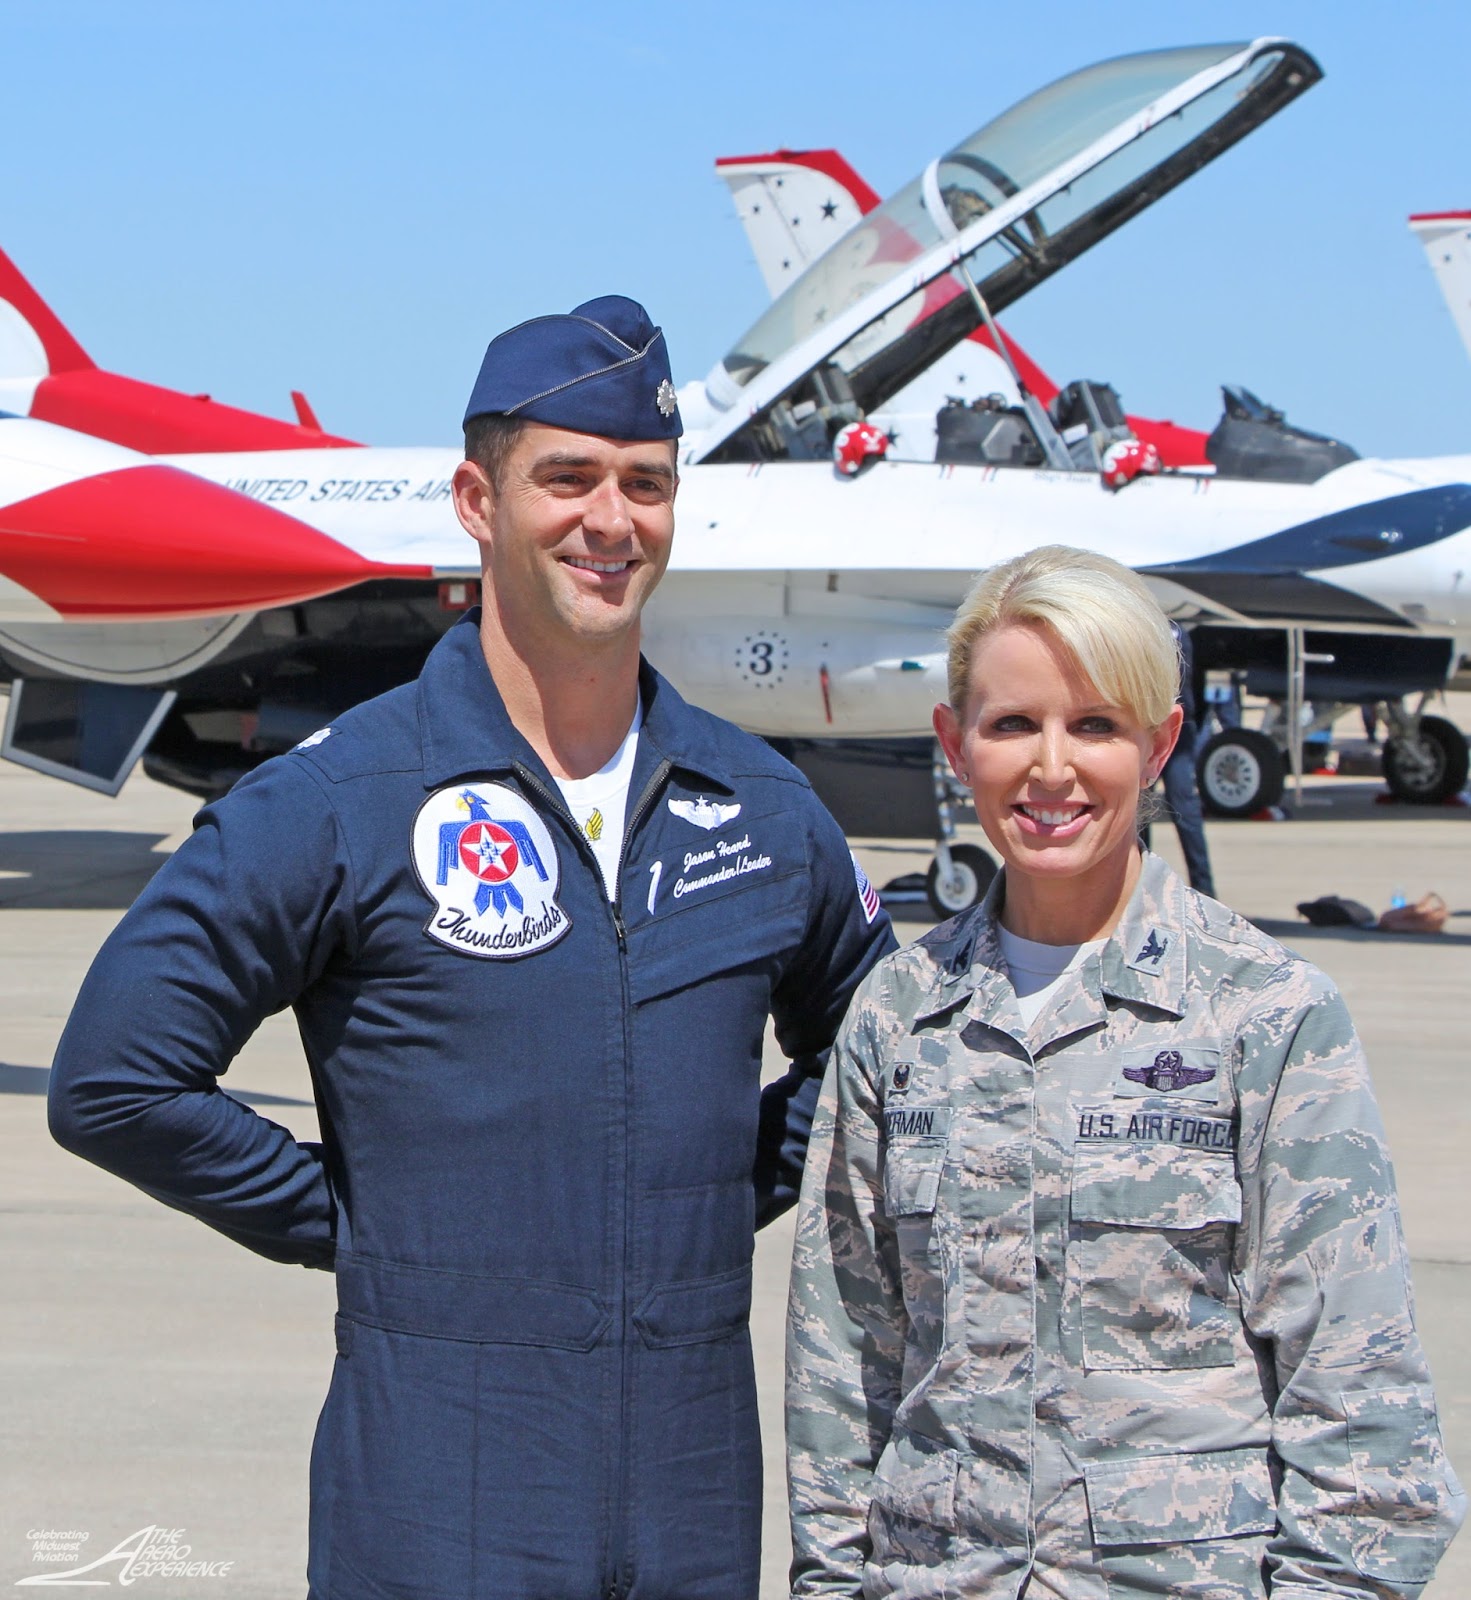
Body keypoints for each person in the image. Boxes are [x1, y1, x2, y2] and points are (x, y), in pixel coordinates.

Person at [48, 296, 895, 1600]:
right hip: (440, 1501)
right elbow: (116, 1078)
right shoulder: (340, 798)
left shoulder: (759, 807)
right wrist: (362, 1225)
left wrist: (723, 1188)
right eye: (566, 478)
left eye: (646, 485)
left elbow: (878, 1043)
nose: (610, 521)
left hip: (693, 1501)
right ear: (474, 500)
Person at [786, 545, 1463, 1598]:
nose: (1051, 767)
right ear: (954, 744)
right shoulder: (900, 1019)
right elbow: (843, 1375)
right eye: (1012, 724)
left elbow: (1362, 1415)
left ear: (1159, 746)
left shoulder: (1264, 1014)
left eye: (1094, 725)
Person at [1146, 619, 1216, 895]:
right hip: (1150, 730)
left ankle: (1205, 889)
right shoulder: (1146, 630)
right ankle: (1139, 886)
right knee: (1138, 812)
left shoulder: (1175, 632)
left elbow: (1192, 686)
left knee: (1184, 807)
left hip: (1177, 733)